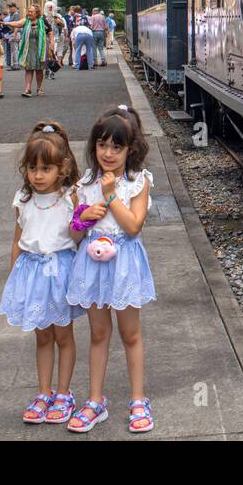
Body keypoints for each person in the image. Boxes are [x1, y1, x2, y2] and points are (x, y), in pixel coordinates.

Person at [65, 105, 156, 434]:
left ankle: (138, 399)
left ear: (130, 149)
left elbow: (133, 226)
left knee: (130, 334)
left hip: (125, 265)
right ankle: (94, 401)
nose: (108, 153)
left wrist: (110, 196)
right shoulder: (83, 183)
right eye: (102, 145)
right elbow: (75, 234)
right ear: (94, 146)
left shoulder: (138, 182)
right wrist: (83, 218)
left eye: (116, 147)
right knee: (99, 333)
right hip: (92, 265)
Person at [0, 121, 84, 425]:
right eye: (32, 168)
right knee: (42, 336)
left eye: (46, 168)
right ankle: (44, 392)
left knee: (63, 334)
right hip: (31, 274)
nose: (38, 175)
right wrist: (13, 279)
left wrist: (80, 222)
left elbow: (77, 239)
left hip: (60, 272)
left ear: (63, 167)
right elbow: (17, 241)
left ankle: (64, 392)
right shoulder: (22, 200)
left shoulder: (71, 197)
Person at [18, 5, 49, 97]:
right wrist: (4, 23)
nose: (29, 13)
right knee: (28, 69)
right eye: (28, 11)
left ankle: (39, 88)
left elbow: (50, 32)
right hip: (28, 48)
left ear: (37, 13)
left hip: (40, 49)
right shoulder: (26, 21)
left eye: (31, 11)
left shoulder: (43, 21)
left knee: (39, 70)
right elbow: (17, 23)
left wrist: (51, 45)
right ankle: (27, 89)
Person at [4, 2, 23, 71]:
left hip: (15, 33)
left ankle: (16, 65)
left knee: (15, 50)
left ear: (14, 7)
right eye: (9, 7)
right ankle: (14, 64)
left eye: (11, 7)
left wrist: (14, 34)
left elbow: (17, 25)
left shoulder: (16, 14)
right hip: (12, 33)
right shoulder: (12, 14)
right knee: (13, 50)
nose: (10, 9)